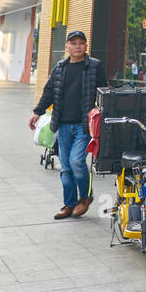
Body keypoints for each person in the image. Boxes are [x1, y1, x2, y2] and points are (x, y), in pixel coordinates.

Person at [30, 31, 108, 220]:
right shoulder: (60, 68)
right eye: (73, 43)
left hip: (84, 125)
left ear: (86, 46)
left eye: (81, 43)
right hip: (63, 124)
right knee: (65, 167)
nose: (77, 46)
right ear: (67, 47)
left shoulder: (95, 66)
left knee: (76, 161)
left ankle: (85, 197)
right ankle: (69, 204)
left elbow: (104, 92)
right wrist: (37, 112)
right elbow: (49, 91)